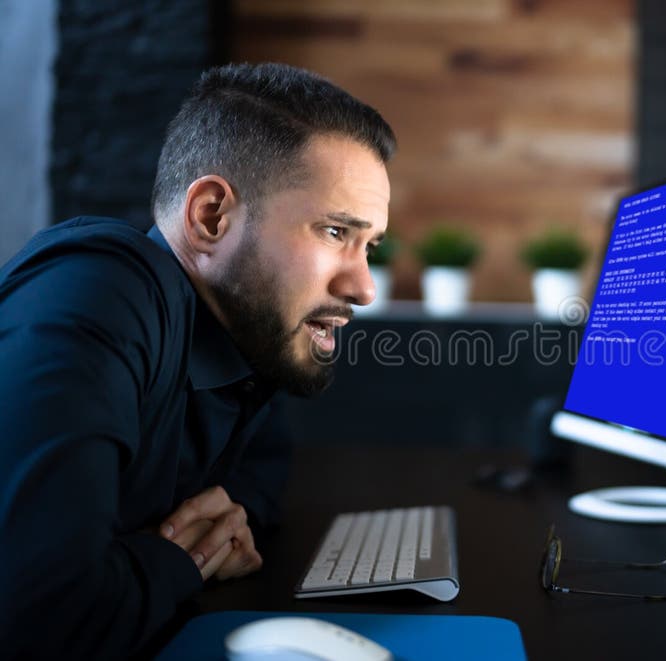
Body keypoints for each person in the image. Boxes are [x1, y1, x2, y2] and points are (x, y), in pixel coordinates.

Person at [0, 62, 395, 659]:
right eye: (336, 232)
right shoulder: (95, 291)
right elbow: (41, 620)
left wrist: (169, 546)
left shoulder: (242, 338)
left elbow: (257, 488)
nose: (365, 287)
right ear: (212, 216)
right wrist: (183, 558)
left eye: (369, 246)